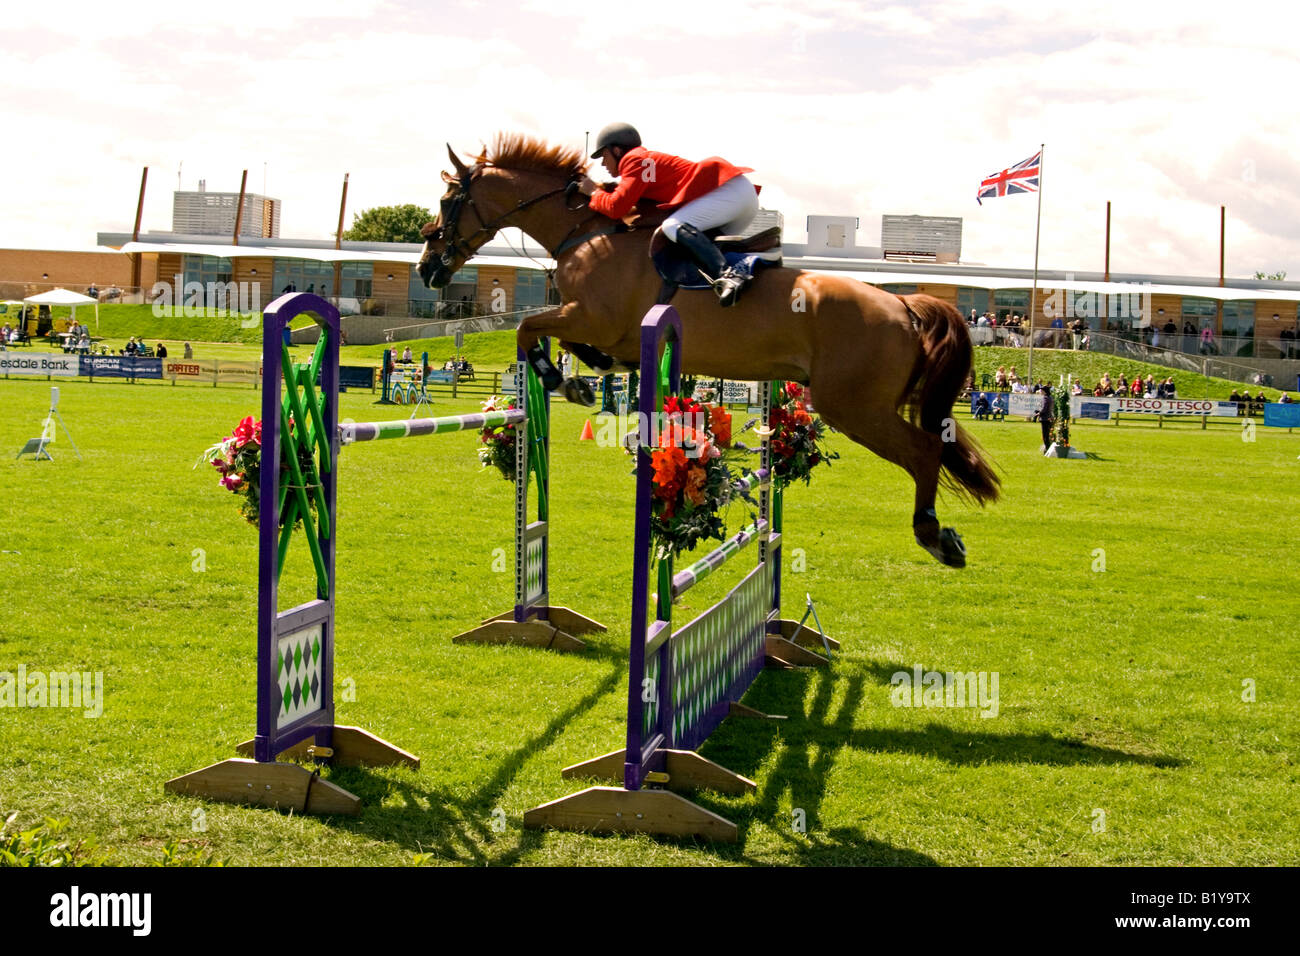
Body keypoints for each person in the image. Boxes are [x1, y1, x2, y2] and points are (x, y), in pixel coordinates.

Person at [578, 123, 759, 307]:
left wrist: (593, 192)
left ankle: (728, 276)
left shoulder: (633, 159)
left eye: (604, 156)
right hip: (740, 198)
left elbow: (617, 207)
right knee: (691, 247)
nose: (602, 163)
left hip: (729, 193)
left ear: (616, 150)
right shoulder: (642, 161)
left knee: (671, 226)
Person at [1039, 385, 1055, 451]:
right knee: (1048, 433)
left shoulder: (1045, 398)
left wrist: (1039, 413)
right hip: (1049, 417)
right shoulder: (1050, 397)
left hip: (1045, 418)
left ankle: (1047, 448)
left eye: (1041, 390)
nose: (1040, 391)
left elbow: (1044, 408)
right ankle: (1048, 447)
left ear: (1044, 391)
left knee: (1045, 434)